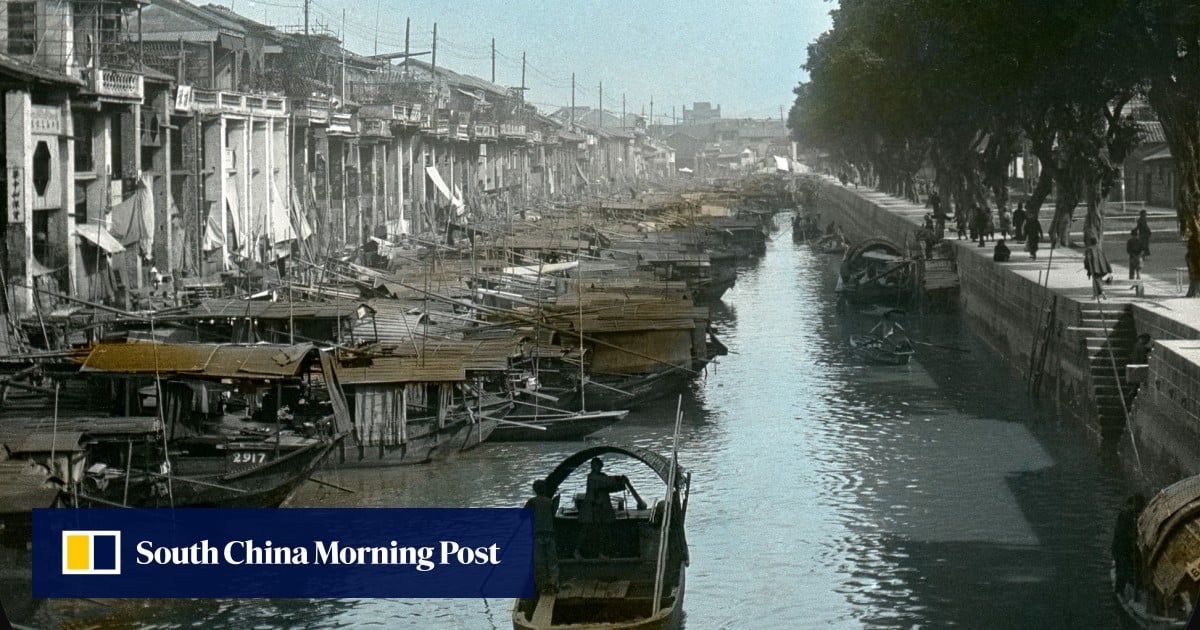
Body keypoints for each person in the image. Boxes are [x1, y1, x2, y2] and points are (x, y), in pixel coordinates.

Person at [577, 458, 646, 558]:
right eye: (596, 465)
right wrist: (619, 479)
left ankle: (601, 553)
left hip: (600, 511)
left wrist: (622, 484)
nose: (598, 467)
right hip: (590, 511)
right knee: (586, 530)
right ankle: (577, 551)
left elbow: (610, 486)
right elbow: (606, 481)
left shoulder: (602, 476)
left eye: (599, 466)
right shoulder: (592, 478)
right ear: (592, 466)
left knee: (602, 532)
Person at [524, 480, 559, 594]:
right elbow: (552, 514)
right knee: (552, 561)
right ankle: (554, 584)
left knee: (539, 562)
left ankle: (543, 586)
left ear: (535, 490)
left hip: (537, 534)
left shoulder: (532, 502)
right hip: (549, 534)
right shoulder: (550, 502)